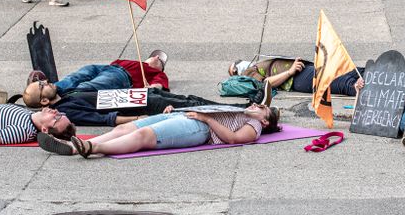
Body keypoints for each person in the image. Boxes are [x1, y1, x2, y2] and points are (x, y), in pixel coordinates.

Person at [37, 103, 280, 158]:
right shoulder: (242, 110)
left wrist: (205, 118)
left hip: (199, 127)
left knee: (142, 137)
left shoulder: (254, 126)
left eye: (263, 109)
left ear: (266, 122)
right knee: (127, 128)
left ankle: (94, 147)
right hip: (187, 115)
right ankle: (73, 146)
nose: (257, 106)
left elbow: (233, 139)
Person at [22, 50, 170, 108]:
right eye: (155, 55)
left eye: (159, 60)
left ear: (159, 67)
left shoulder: (153, 72)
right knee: (75, 77)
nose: (156, 57)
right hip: (105, 68)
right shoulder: (136, 61)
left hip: (121, 77)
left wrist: (155, 87)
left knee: (89, 86)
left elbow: (160, 82)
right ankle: (49, 91)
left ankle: (62, 99)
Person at [40, 87, 254, 127]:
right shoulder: (67, 110)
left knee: (190, 98)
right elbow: (104, 119)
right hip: (136, 106)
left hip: (137, 95)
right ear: (43, 101)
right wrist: (138, 118)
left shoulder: (66, 93)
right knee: (191, 106)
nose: (44, 82)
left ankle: (244, 106)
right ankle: (244, 109)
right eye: (40, 86)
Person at [228, 56, 364, 96]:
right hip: (296, 79)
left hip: (301, 71)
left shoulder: (256, 65)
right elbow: (266, 83)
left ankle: (372, 74)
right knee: (333, 80)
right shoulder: (248, 72)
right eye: (234, 68)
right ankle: (356, 87)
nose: (237, 64)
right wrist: (290, 71)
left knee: (344, 71)